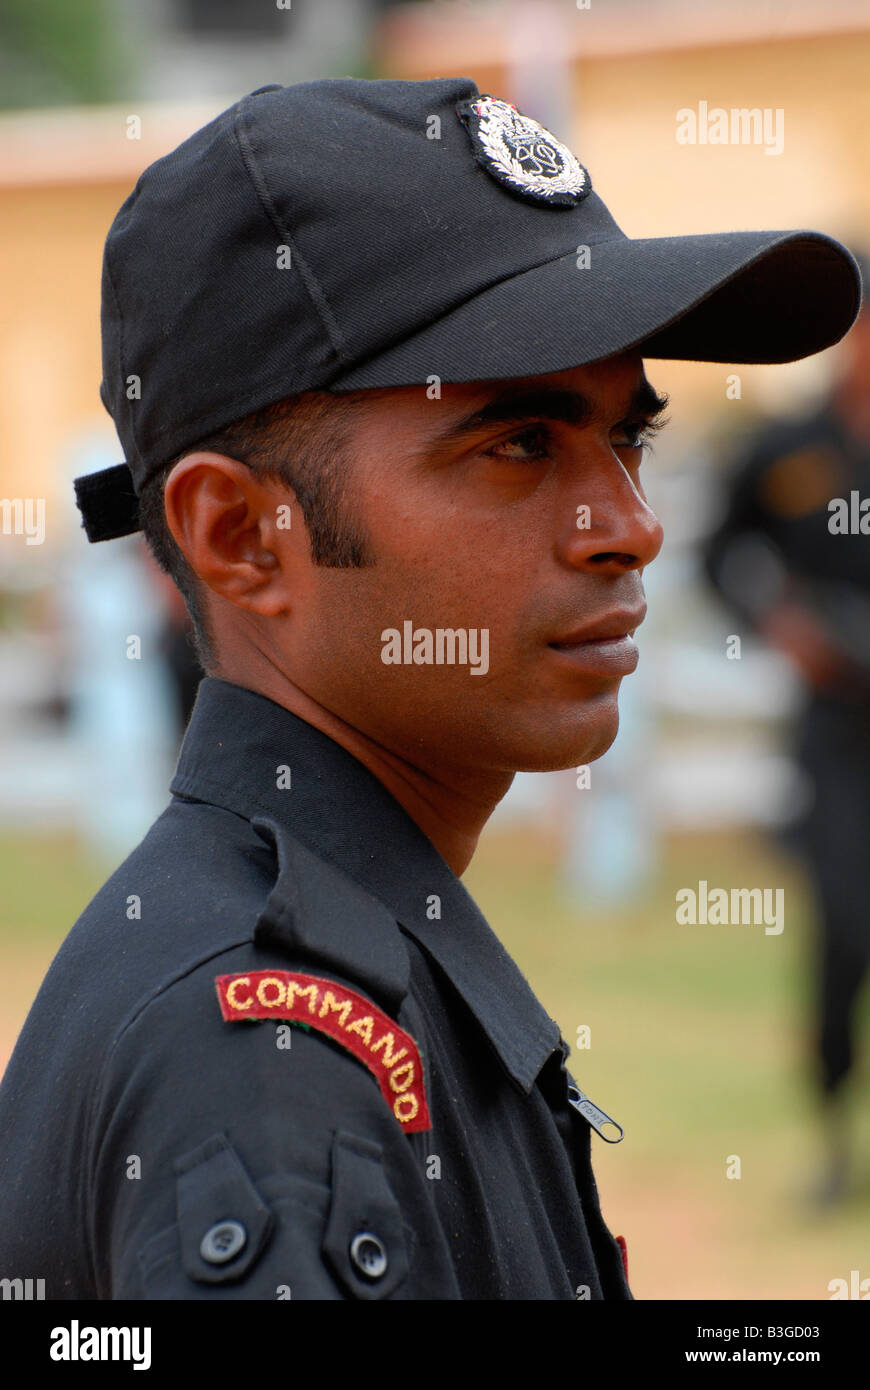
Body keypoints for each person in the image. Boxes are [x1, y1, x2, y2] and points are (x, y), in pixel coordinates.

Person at [0, 77, 861, 1300]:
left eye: (630, 439)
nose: (630, 526)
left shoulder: (331, 943)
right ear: (242, 535)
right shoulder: (277, 1072)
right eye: (519, 445)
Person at [703, 261, 870, 1205]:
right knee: (845, 930)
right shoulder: (792, 448)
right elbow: (721, 553)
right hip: (837, 731)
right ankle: (836, 1144)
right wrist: (781, 624)